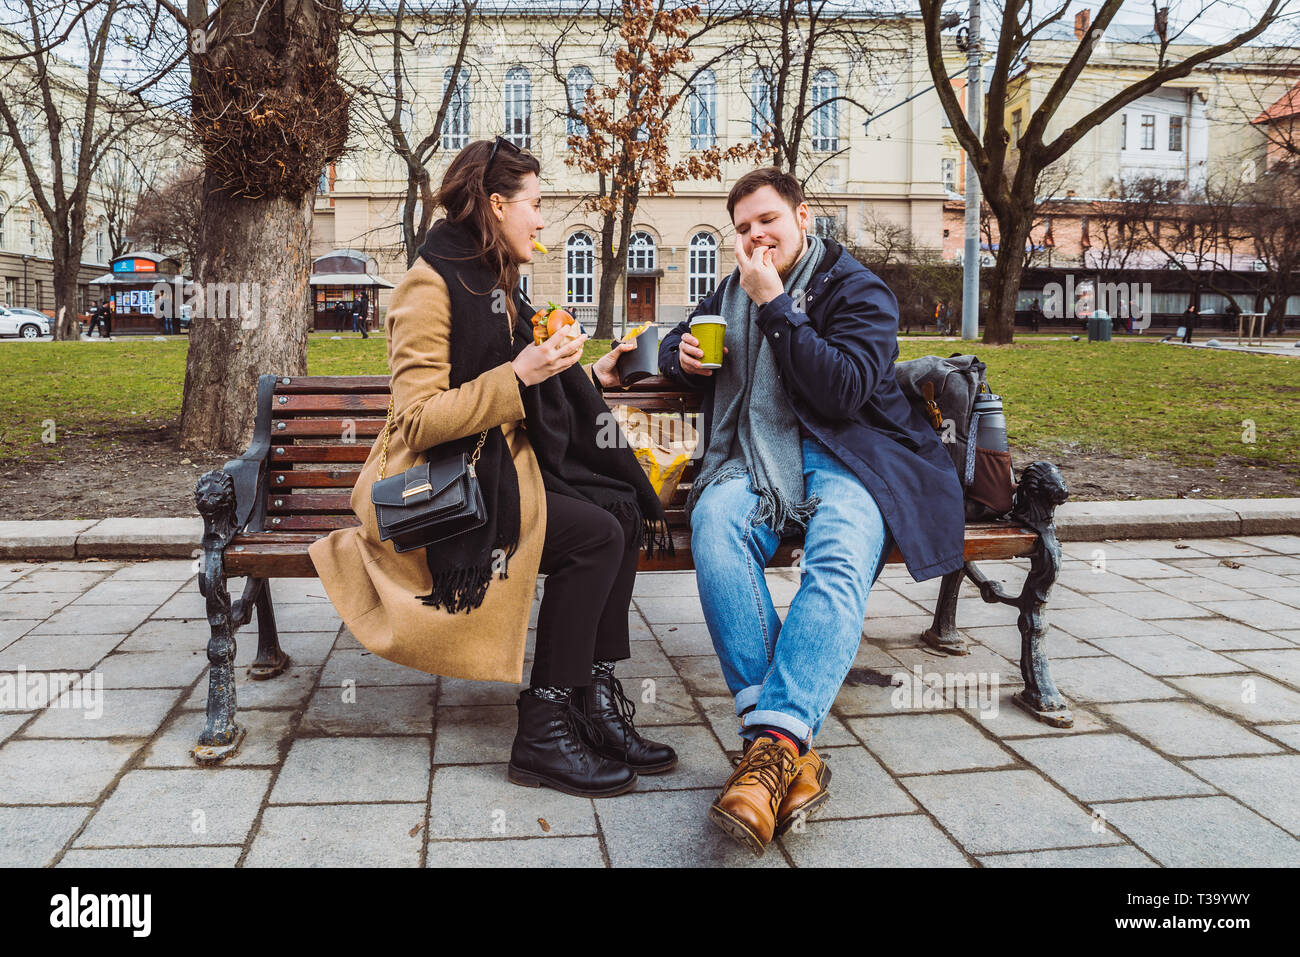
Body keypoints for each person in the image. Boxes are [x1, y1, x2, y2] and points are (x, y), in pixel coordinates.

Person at [309, 137, 677, 799]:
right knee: (595, 535)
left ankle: (589, 701)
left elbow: (524, 384)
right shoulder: (430, 285)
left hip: (506, 464)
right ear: (497, 203)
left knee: (619, 505)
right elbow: (418, 418)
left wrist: (593, 371)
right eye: (534, 204)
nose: (541, 220)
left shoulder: (497, 278)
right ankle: (544, 725)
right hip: (456, 483)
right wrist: (520, 372)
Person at [658, 168, 964, 855]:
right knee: (714, 523)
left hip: (852, 455)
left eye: (766, 220)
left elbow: (842, 391)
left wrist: (776, 306)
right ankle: (788, 751)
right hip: (758, 461)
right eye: (741, 228)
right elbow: (686, 335)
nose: (754, 236)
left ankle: (767, 750)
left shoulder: (858, 289)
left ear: (803, 215)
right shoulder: (734, 287)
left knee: (840, 556)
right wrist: (680, 357)